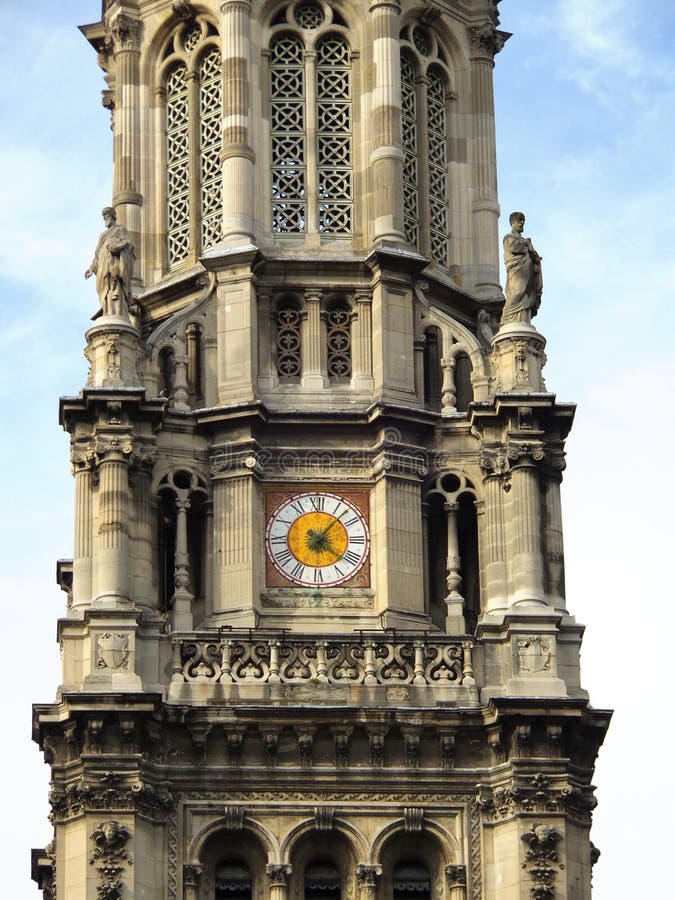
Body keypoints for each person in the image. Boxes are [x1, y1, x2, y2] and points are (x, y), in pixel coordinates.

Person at [85, 207, 135, 318]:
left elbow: (127, 244)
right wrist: (91, 268)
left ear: (113, 216)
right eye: (104, 217)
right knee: (104, 291)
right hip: (102, 266)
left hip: (113, 265)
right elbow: (98, 253)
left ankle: (116, 312)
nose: (106, 219)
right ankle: (107, 311)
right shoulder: (102, 235)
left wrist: (115, 246)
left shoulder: (120, 230)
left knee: (114, 289)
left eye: (107, 216)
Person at [500, 211, 543, 326]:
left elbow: (535, 256)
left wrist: (534, 255)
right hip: (517, 272)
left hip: (528, 274)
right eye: (519, 220)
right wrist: (527, 245)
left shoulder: (525, 240)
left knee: (527, 296)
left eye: (523, 221)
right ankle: (506, 320)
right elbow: (514, 247)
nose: (522, 223)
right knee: (516, 293)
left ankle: (523, 320)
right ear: (512, 223)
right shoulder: (508, 237)